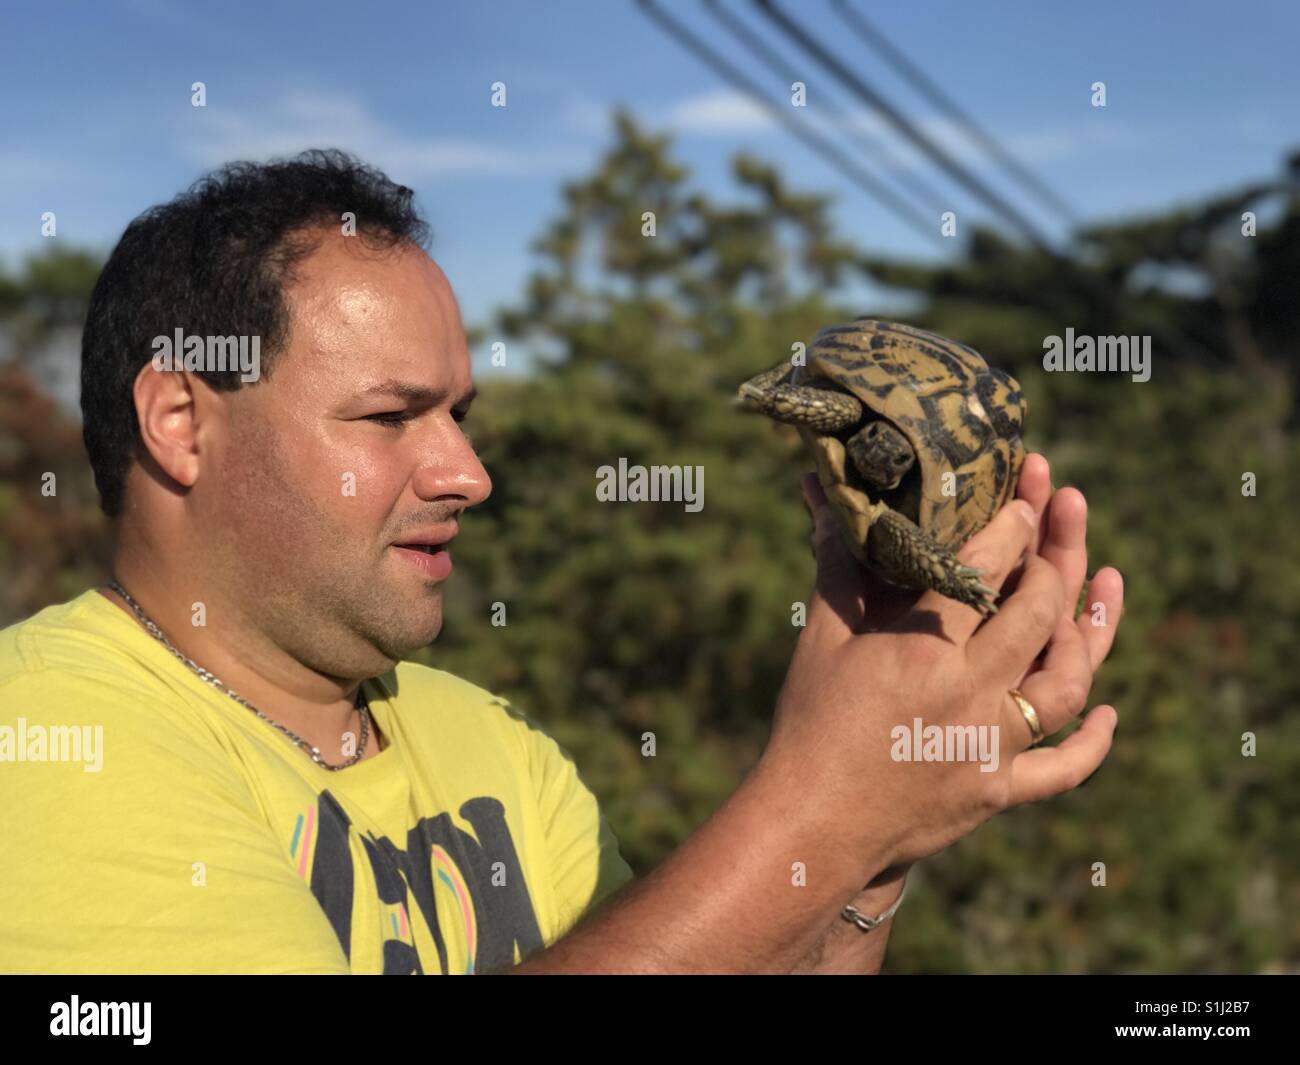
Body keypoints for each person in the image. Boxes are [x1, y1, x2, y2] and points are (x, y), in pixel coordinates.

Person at [0, 150, 1123, 975]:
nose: (468, 472)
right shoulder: (49, 741)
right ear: (181, 424)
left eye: (461, 413)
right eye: (391, 418)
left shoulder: (487, 742)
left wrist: (874, 840)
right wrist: (818, 805)